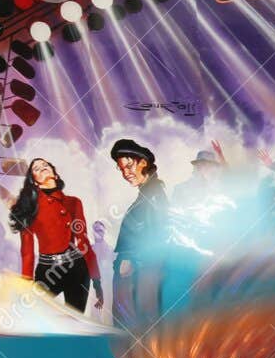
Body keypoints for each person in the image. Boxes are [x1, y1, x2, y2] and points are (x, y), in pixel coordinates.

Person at [9, 158, 102, 313]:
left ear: (56, 175)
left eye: (45, 165)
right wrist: (26, 282)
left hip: (77, 269)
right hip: (47, 271)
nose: (43, 167)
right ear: (34, 182)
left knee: (75, 323)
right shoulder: (28, 207)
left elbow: (83, 240)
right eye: (37, 168)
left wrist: (96, 278)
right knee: (34, 316)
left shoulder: (74, 202)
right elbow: (27, 251)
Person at [110, 139, 167, 331]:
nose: (126, 173)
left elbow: (157, 235)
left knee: (136, 321)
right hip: (137, 268)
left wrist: (129, 259)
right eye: (122, 169)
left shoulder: (154, 194)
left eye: (129, 165)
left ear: (143, 161)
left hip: (139, 268)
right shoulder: (148, 192)